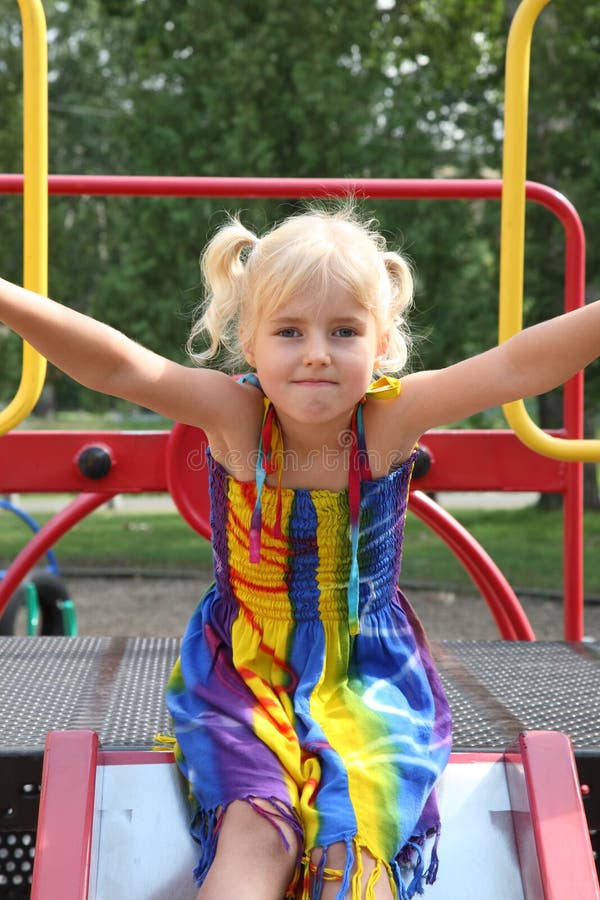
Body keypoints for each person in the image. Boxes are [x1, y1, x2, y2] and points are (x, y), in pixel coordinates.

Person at [1, 204, 599, 899]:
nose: (317, 352)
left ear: (380, 345)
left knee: (355, 851)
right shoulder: (236, 418)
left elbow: (517, 366)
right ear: (249, 344)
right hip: (244, 668)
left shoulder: (390, 419)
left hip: (368, 671)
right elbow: (120, 367)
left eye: (344, 331)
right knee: (258, 833)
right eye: (289, 331)